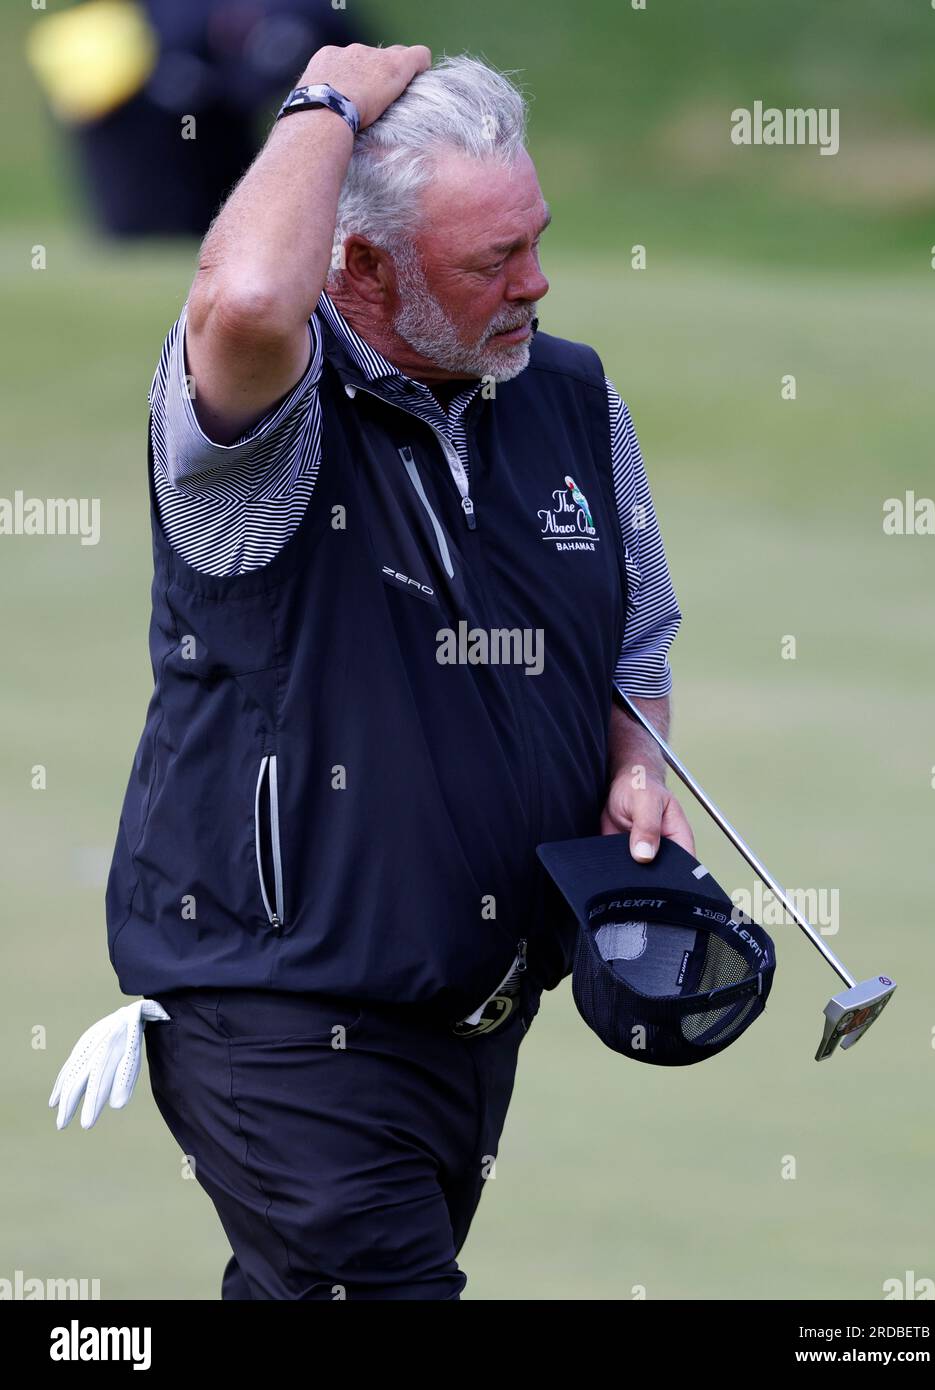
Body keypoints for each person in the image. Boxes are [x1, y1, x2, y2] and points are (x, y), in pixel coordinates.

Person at [56, 44, 696, 1300]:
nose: (537, 281)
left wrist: (634, 763)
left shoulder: (564, 395)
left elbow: (636, 641)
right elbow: (241, 301)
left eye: (535, 238)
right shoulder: (262, 423)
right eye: (488, 262)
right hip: (281, 1012)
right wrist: (322, 107)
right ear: (355, 266)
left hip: (471, 1018)